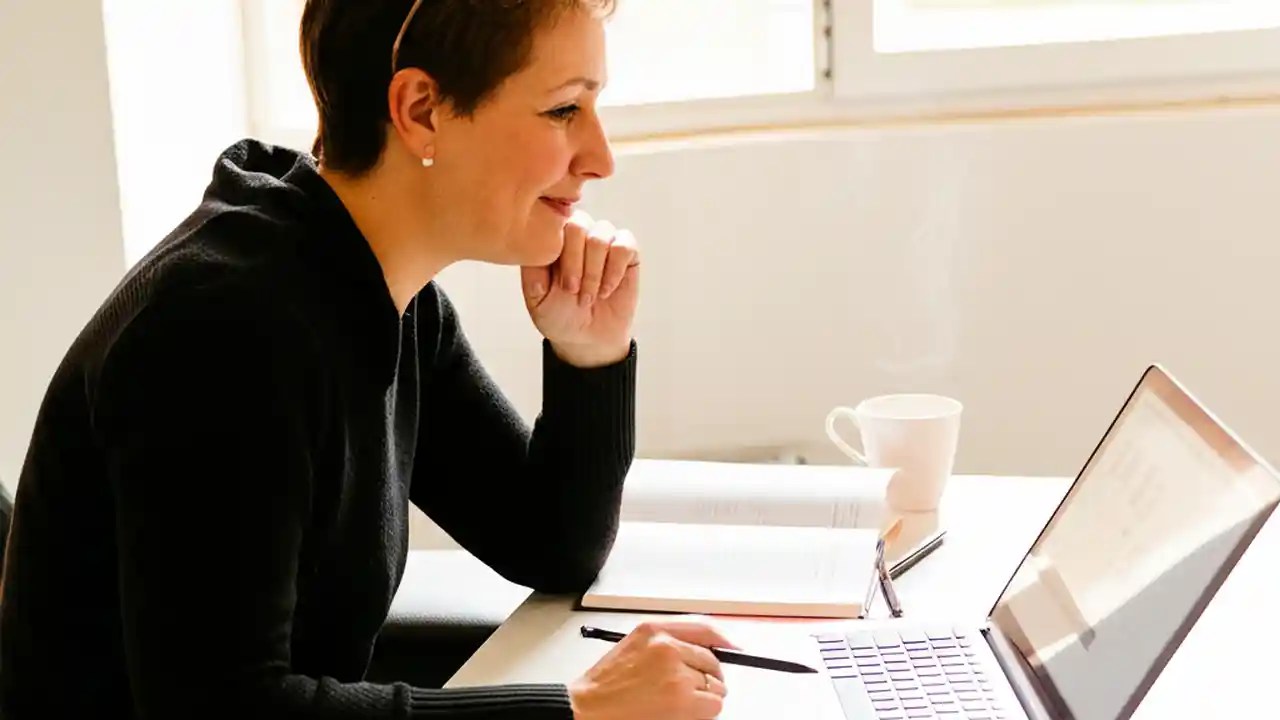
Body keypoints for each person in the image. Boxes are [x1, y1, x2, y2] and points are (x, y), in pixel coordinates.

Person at [0, 0, 736, 718]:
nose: (600, 158)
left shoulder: (382, 292)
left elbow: (550, 543)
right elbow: (222, 706)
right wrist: (575, 710)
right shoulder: (223, 330)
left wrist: (588, 354)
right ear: (420, 110)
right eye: (563, 110)